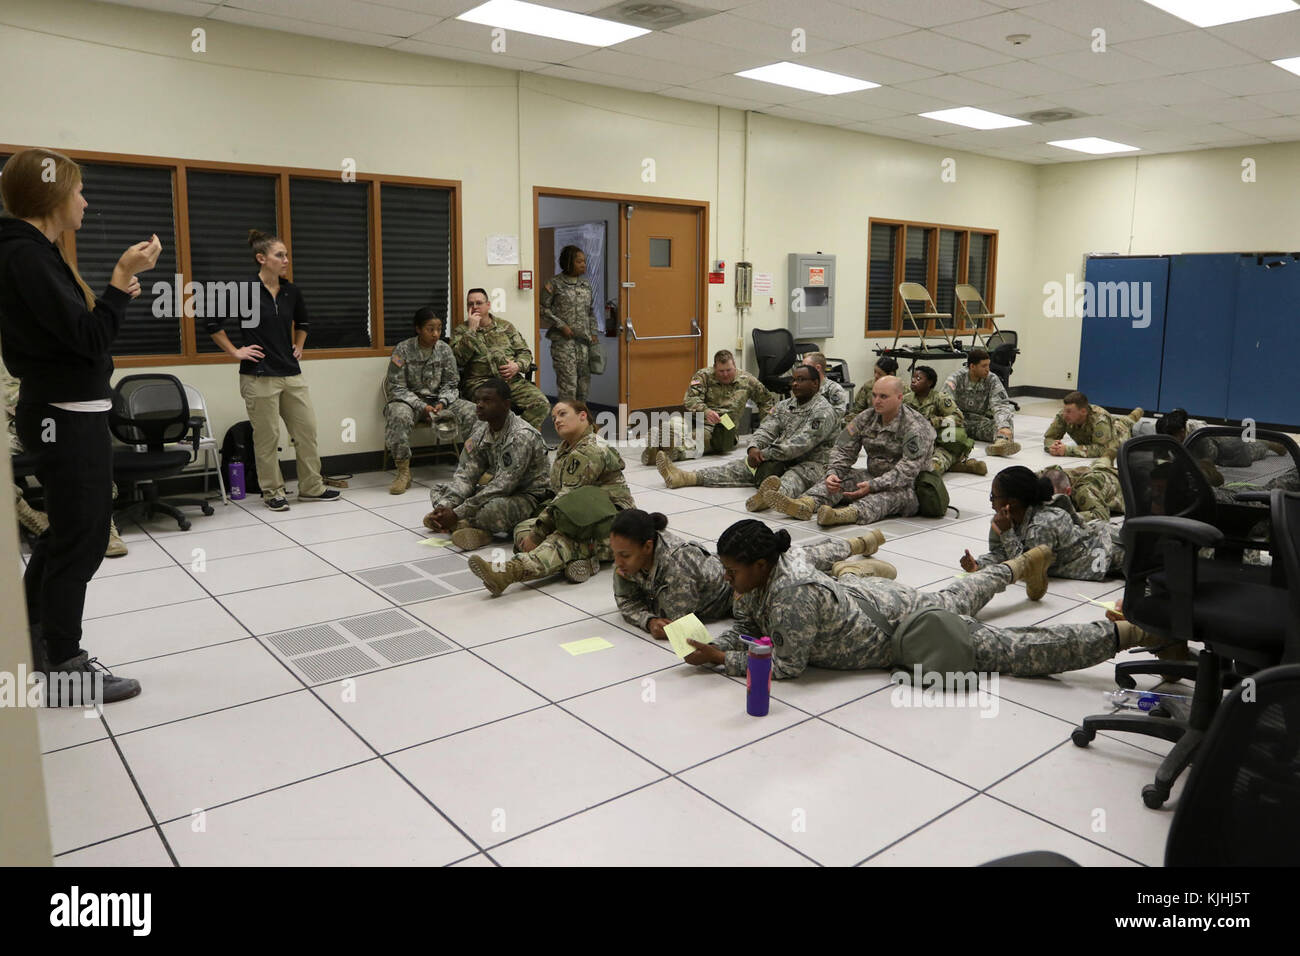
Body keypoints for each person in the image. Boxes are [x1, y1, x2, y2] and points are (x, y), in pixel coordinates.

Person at [0, 147, 161, 703]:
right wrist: (119, 280)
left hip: (69, 413)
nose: (85, 201)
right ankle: (65, 663)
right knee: (82, 540)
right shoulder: (25, 256)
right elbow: (91, 339)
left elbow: (79, 336)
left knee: (66, 535)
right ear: (51, 197)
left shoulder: (33, 253)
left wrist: (114, 297)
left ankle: (33, 642)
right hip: (64, 418)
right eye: (78, 191)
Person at [680, 521, 1171, 681]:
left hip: (902, 628)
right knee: (957, 593)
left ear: (761, 566)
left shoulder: (789, 596)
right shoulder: (765, 575)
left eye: (731, 571)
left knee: (1014, 650)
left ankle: (1140, 631)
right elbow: (750, 629)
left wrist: (723, 659)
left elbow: (786, 665)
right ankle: (1021, 565)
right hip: (881, 599)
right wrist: (714, 640)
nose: (727, 580)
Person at [207, 229, 340, 512]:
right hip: (258, 375)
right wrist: (235, 351)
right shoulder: (244, 291)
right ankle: (273, 491)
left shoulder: (292, 291)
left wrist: (299, 345)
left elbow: (304, 324)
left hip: (291, 373)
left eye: (287, 255)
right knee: (267, 437)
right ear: (261, 258)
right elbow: (212, 324)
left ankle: (311, 487)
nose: (286, 260)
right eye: (280, 255)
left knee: (307, 431)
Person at [610, 509, 892, 639]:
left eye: (625, 555)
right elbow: (629, 604)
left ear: (648, 546)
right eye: (616, 554)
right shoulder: (627, 562)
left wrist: (653, 616)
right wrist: (647, 620)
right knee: (808, 570)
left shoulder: (676, 562)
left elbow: (677, 620)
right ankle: (851, 571)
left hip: (739, 581)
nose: (619, 563)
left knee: (800, 560)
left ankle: (856, 545)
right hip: (736, 592)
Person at [468, 399, 633, 594]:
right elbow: (559, 496)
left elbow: (566, 496)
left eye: (563, 414)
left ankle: (508, 573)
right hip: (583, 517)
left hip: (613, 526)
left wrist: (538, 534)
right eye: (554, 417)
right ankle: (584, 562)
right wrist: (535, 532)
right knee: (523, 528)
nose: (556, 421)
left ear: (583, 416)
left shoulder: (590, 449)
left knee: (559, 539)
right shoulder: (567, 448)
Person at [656, 364, 837, 512]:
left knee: (793, 479)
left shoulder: (823, 411)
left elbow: (800, 444)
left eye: (801, 380)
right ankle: (686, 477)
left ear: (815, 383)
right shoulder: (785, 405)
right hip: (778, 457)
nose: (795, 384)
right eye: (794, 380)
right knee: (738, 467)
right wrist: (753, 448)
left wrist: (764, 455)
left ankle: (766, 498)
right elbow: (767, 428)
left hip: (811, 463)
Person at [765, 375, 933, 527]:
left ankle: (842, 515)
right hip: (872, 476)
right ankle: (806, 504)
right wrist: (833, 473)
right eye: (874, 395)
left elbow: (907, 470)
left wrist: (873, 486)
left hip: (909, 486)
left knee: (886, 497)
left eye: (883, 396)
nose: (877, 401)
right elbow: (843, 449)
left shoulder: (915, 426)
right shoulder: (866, 418)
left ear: (899, 397)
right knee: (839, 480)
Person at [424, 377, 551, 550]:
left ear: (506, 405)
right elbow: (466, 475)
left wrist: (457, 512)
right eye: (478, 400)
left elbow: (503, 486)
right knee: (439, 490)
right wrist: (446, 506)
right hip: (494, 490)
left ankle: (469, 527)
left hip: (528, 496)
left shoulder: (520, 435)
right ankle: (452, 521)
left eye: (487, 400)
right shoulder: (482, 430)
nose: (480, 405)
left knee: (493, 511)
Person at [959, 465, 1124, 591]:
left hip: (1114, 552)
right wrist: (978, 564)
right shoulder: (1012, 519)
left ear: (1013, 502)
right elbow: (1003, 553)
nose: (991, 502)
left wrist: (1007, 533)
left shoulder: (1043, 524)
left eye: (994, 497)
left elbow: (1028, 568)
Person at [383, 307, 477, 495]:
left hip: (440, 401)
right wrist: (422, 406)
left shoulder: (444, 349)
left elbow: (451, 383)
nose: (436, 334)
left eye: (439, 329)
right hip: (410, 402)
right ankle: (403, 472)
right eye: (430, 329)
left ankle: (474, 467)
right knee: (398, 415)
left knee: (474, 411)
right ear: (418, 329)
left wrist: (442, 401)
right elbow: (395, 386)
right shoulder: (403, 349)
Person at [642, 349, 776, 465]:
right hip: (697, 418)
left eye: (729, 370)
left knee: (698, 438)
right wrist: (706, 411)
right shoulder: (703, 376)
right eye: (721, 371)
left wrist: (765, 430)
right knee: (674, 424)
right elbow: (690, 399)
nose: (725, 374)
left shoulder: (747, 380)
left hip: (724, 426)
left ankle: (661, 450)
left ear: (735, 366)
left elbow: (766, 400)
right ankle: (662, 446)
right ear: (714, 368)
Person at [453, 287, 549, 429]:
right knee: (494, 408)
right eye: (470, 304)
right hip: (480, 383)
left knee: (541, 404)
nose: (474, 307)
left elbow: (525, 352)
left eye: (479, 303)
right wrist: (471, 331)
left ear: (488, 305)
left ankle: (517, 436)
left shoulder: (506, 327)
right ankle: (503, 440)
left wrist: (517, 366)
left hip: (510, 381)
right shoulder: (462, 330)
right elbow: (457, 360)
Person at [539, 245, 600, 402]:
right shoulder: (553, 284)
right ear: (568, 262)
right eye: (579, 261)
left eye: (584, 261)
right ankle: (567, 424)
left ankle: (581, 423)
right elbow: (542, 308)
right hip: (563, 343)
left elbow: (590, 311)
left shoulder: (585, 284)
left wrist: (593, 332)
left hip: (584, 342)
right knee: (568, 387)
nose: (583, 265)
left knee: (583, 386)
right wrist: (561, 325)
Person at [906, 364, 984, 476]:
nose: (913, 381)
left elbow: (958, 417)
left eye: (918, 378)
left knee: (932, 469)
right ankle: (958, 466)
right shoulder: (906, 399)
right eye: (913, 378)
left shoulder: (940, 398)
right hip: (916, 442)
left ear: (929, 383)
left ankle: (953, 461)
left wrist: (936, 422)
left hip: (940, 443)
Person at [940, 347, 1019, 456]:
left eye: (988, 365)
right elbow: (945, 404)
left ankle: (1001, 444)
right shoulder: (956, 379)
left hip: (980, 422)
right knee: (945, 426)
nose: (988, 369)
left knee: (1007, 423)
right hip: (960, 422)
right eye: (984, 366)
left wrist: (1003, 426)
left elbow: (1000, 404)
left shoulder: (992, 379)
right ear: (972, 366)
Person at [1043, 391, 1142, 458]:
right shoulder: (1063, 415)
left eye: (1069, 411)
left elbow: (1102, 450)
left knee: (1127, 423)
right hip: (1110, 425)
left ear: (1083, 411)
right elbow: (1049, 438)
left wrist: (1067, 450)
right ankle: (1133, 415)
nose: (1065, 414)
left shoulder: (1100, 419)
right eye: (1064, 410)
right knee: (1120, 420)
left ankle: (1136, 414)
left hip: (1120, 433)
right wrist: (1053, 446)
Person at [1041, 457, 1123, 525]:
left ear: (1068, 491)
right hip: (1092, 470)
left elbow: (1101, 515)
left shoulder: (1083, 491)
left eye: (1056, 499)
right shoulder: (1044, 480)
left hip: (1118, 480)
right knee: (1100, 462)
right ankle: (1106, 457)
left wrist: (1068, 515)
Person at [845, 354, 898, 423]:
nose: (875, 376)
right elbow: (857, 411)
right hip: (869, 424)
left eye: (880, 374)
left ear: (891, 374)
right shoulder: (869, 386)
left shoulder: (901, 390)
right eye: (875, 372)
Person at [801, 352, 847, 418]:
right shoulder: (803, 387)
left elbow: (837, 415)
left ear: (818, 368)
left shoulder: (834, 389)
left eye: (805, 366)